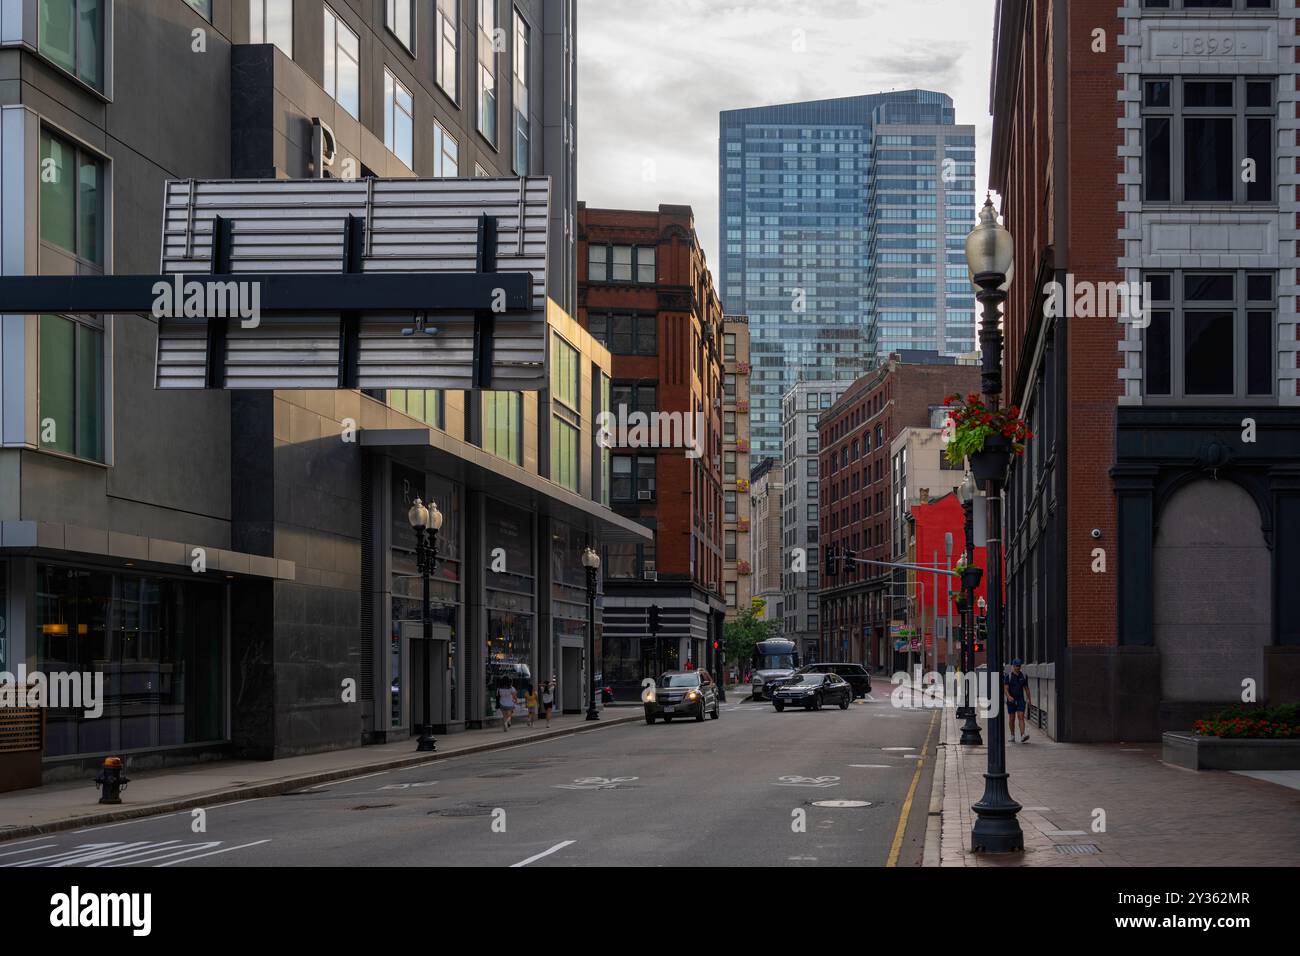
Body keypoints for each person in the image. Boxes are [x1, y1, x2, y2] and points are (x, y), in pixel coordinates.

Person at [1004, 659, 1031, 743]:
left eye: (1019, 666)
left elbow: (1026, 688)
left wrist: (1029, 699)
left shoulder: (1023, 676)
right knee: (1012, 718)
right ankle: (1012, 735)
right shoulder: (1008, 676)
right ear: (1013, 666)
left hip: (1020, 699)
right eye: (1016, 666)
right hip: (1011, 700)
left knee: (1021, 716)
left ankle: (1023, 735)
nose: (1018, 667)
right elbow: (1005, 688)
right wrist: (1008, 696)